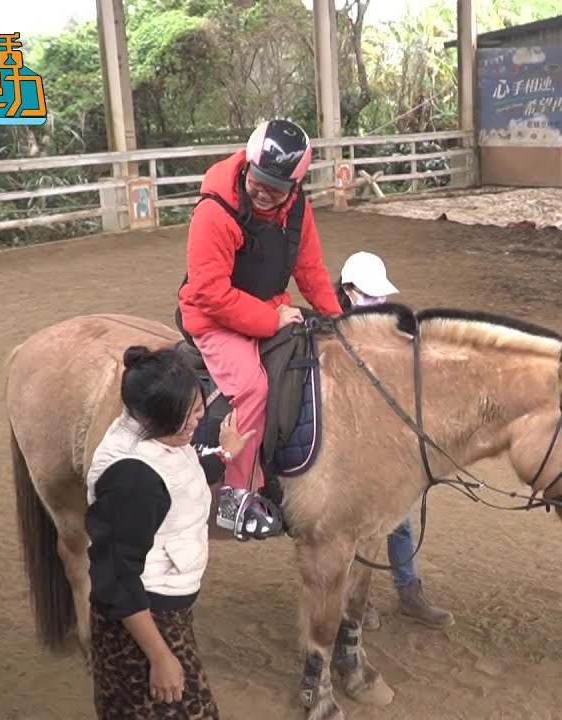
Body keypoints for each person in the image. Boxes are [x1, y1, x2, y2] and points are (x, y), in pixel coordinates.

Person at [177, 118, 344, 540]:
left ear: (295, 185)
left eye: (275, 186)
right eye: (257, 179)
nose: (261, 190)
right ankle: (233, 495)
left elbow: (309, 269)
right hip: (213, 317)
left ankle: (284, 474)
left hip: (266, 307)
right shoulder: (215, 212)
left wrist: (340, 320)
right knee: (253, 387)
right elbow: (210, 293)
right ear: (248, 164)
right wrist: (270, 320)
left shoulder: (297, 211)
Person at [86, 345, 254, 719]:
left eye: (198, 411)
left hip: (164, 611)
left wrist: (225, 455)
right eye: (187, 419)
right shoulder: (133, 479)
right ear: (156, 420)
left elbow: (182, 479)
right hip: (142, 620)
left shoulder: (161, 440)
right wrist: (160, 656)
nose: (196, 422)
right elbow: (115, 576)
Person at [332, 251, 455, 630]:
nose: (378, 303)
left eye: (379, 296)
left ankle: (408, 591)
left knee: (399, 519)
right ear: (349, 291)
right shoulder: (332, 333)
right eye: (370, 295)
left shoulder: (392, 333)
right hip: (347, 450)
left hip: (386, 446)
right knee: (354, 527)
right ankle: (358, 597)